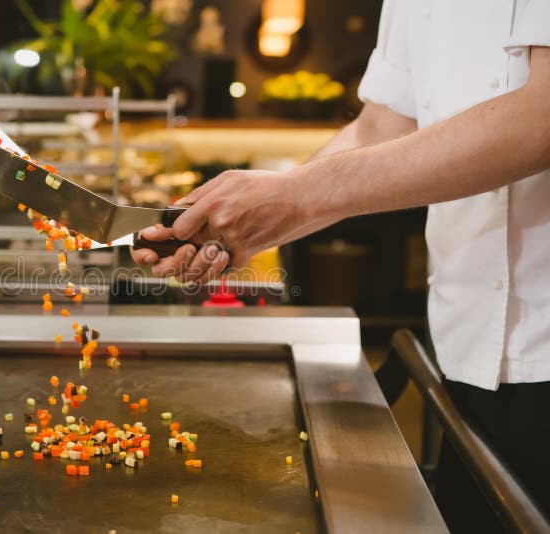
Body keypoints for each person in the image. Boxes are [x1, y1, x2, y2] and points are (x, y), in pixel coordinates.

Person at [131, 1, 550, 531]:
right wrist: (237, 226)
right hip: (465, 359)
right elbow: (380, 127)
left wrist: (292, 197)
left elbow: (541, 118)